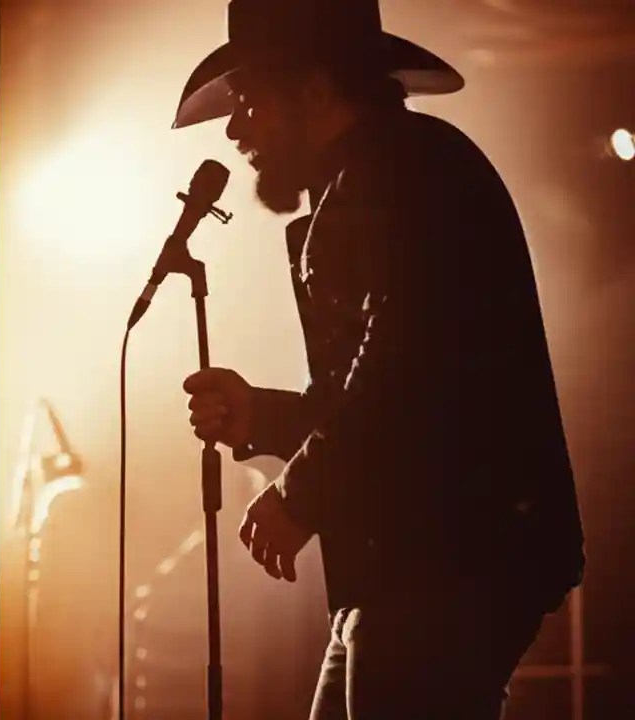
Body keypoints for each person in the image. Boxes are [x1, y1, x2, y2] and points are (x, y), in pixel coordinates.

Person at [172, 1, 585, 718]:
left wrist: (301, 494)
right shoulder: (385, 174)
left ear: (316, 90)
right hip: (418, 564)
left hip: (442, 563)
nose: (235, 129)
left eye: (248, 101)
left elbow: (400, 369)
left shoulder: (405, 175)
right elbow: (382, 385)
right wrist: (261, 416)